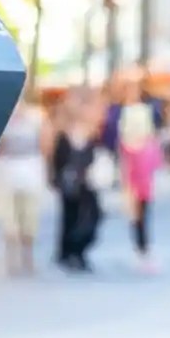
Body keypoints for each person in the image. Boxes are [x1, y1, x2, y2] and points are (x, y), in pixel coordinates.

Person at [0, 90, 52, 277]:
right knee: (9, 219)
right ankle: (12, 260)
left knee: (29, 218)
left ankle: (28, 258)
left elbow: (45, 143)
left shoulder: (37, 117)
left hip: (30, 169)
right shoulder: (3, 116)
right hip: (9, 170)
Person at [52, 91, 103, 273]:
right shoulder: (64, 133)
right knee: (70, 217)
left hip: (87, 182)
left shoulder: (90, 132)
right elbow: (58, 158)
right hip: (70, 182)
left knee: (91, 216)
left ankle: (78, 249)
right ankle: (69, 252)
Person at [120, 100, 164, 273]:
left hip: (142, 187)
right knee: (139, 219)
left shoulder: (145, 144)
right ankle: (141, 250)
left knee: (141, 219)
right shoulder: (140, 145)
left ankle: (143, 250)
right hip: (137, 187)